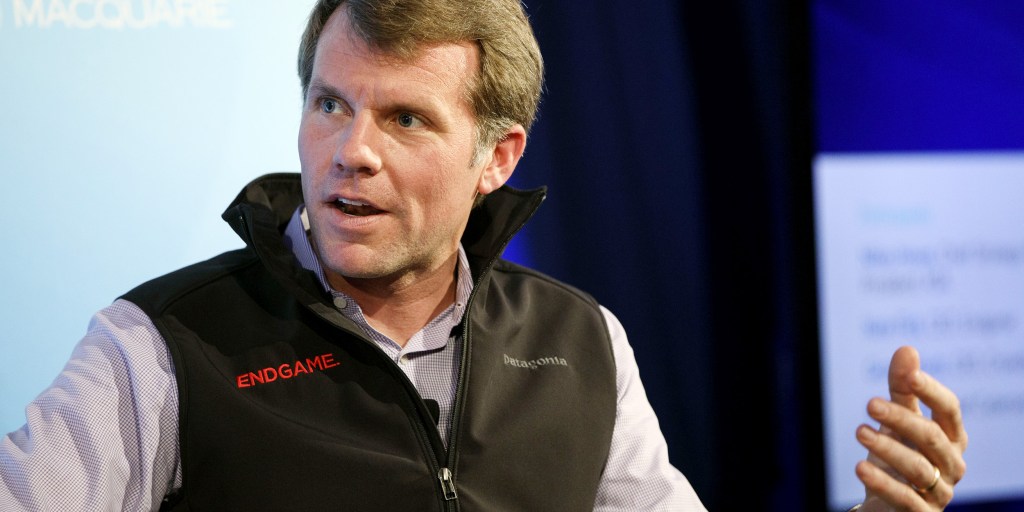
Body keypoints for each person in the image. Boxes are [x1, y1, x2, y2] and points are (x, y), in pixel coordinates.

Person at [0, 0, 965, 510]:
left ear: (496, 158)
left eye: (405, 118)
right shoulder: (160, 345)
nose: (350, 150)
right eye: (330, 103)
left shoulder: (581, 341)